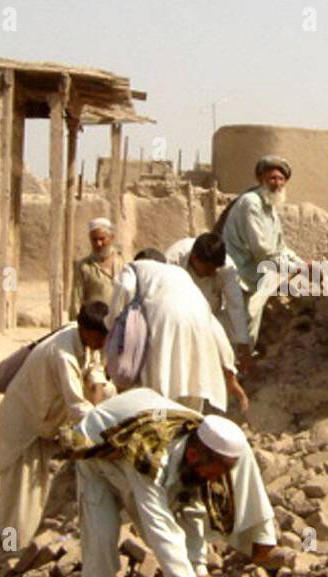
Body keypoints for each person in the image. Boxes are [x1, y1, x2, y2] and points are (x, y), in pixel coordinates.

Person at [63, 388, 281, 577]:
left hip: (133, 429)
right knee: (102, 540)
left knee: (184, 503)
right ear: (193, 456)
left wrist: (199, 569)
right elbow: (163, 534)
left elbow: (191, 508)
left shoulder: (200, 447)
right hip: (97, 450)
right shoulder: (151, 458)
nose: (215, 479)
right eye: (215, 472)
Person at [0, 302, 110, 551]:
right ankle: (8, 549)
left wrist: (101, 396)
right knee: (16, 502)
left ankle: (20, 544)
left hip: (44, 424)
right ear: (85, 330)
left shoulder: (83, 338)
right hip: (21, 430)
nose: (102, 344)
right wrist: (106, 432)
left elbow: (96, 374)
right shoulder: (64, 355)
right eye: (99, 338)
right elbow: (77, 406)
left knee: (35, 494)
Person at [108, 252, 248, 414]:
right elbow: (213, 327)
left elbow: (125, 287)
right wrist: (230, 374)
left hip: (165, 331)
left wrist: (112, 327)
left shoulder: (135, 267)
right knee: (190, 413)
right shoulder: (181, 276)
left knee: (158, 403)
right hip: (198, 337)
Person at [218, 156, 305, 348]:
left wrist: (302, 264)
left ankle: (241, 365)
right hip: (238, 273)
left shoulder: (270, 207)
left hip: (255, 274)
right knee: (238, 325)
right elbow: (262, 251)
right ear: (261, 179)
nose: (277, 183)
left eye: (281, 179)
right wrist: (293, 268)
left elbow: (280, 247)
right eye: (272, 178)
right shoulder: (251, 203)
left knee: (248, 324)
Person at [163, 232, 254, 375]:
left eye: (215, 270)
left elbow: (235, 306)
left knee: (230, 330)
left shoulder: (226, 268)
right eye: (208, 268)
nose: (212, 273)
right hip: (177, 318)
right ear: (194, 258)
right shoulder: (174, 259)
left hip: (210, 317)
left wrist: (244, 346)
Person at [69, 217, 125, 320]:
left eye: (102, 239)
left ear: (111, 238)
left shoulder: (124, 263)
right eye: (94, 240)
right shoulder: (84, 267)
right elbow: (76, 302)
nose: (98, 244)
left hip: (119, 324)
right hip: (96, 327)